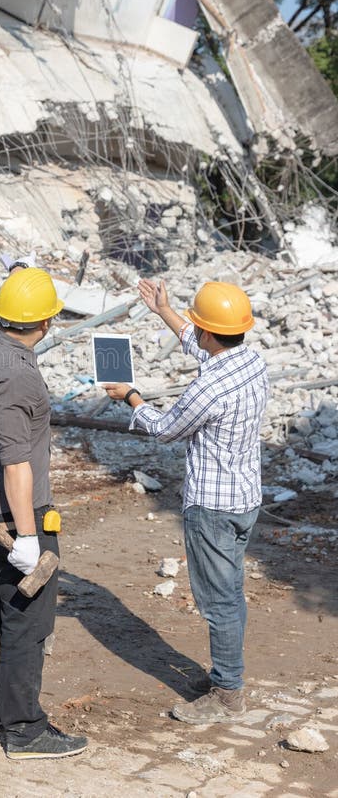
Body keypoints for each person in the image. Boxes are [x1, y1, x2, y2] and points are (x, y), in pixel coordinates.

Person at [104, 279, 269, 724]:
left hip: (212, 506)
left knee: (219, 601)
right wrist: (164, 310)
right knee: (230, 593)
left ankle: (228, 693)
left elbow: (164, 429)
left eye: (197, 325)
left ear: (209, 331)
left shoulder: (208, 387)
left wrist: (132, 398)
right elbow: (202, 348)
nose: (194, 331)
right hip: (244, 498)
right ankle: (224, 675)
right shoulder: (251, 361)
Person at [0, 265, 88, 759]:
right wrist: (29, 539)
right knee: (24, 622)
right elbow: (16, 464)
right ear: (47, 323)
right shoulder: (17, 377)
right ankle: (25, 730)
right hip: (12, 516)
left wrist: (13, 284)